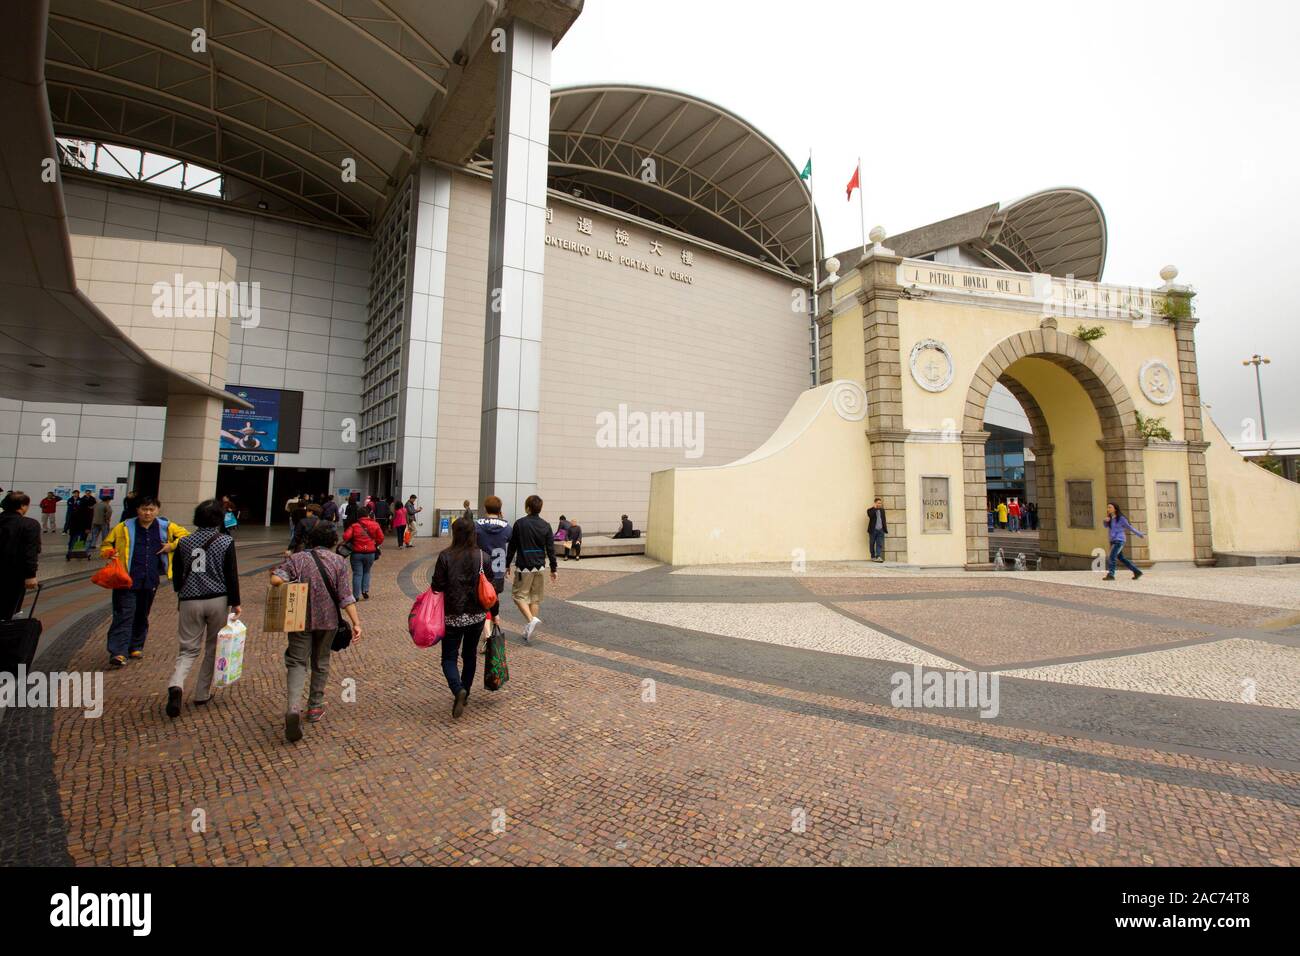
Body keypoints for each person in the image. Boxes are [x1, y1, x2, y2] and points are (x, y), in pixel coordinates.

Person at [270, 522, 361, 742]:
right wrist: (356, 623)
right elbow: (345, 597)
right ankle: (315, 707)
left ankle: (293, 706)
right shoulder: (338, 561)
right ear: (332, 542)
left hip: (299, 618)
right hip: (328, 621)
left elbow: (276, 579)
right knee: (321, 661)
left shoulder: (296, 559)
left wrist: (284, 580)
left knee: (296, 661)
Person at [167, 500, 241, 718]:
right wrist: (236, 601)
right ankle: (201, 692)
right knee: (213, 647)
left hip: (189, 599)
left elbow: (177, 574)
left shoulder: (184, 542)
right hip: (218, 599)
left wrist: (182, 592)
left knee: (188, 648)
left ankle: (176, 683)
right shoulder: (225, 541)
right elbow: (231, 574)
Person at [100, 496, 189, 668]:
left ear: (157, 510)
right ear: (137, 510)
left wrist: (172, 545)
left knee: (142, 612)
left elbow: (186, 537)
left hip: (149, 578)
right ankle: (118, 651)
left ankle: (136, 645)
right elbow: (105, 546)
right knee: (124, 613)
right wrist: (110, 553)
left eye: (151, 509)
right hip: (125, 578)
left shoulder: (166, 527)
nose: (147, 513)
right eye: (144, 509)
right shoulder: (124, 527)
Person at [431, 517, 492, 718]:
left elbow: (437, 585)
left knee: (449, 657)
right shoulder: (483, 556)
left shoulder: (445, 556)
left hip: (452, 615)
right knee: (470, 655)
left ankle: (458, 690)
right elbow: (490, 583)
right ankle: (465, 691)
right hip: (477, 615)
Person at [505, 494, 557, 642]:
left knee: (518, 596)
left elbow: (513, 546)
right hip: (540, 566)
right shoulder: (546, 525)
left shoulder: (520, 524)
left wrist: (507, 564)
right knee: (535, 598)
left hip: (524, 567)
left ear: (527, 507)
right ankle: (530, 628)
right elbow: (550, 549)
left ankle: (531, 620)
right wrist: (554, 568)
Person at [475, 496, 511, 654]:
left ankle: (488, 636)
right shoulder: (507, 526)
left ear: (485, 508)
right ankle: (493, 626)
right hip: (498, 570)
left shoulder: (477, 525)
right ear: (500, 509)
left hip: (481, 568)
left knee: (482, 601)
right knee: (492, 599)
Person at [0, 492, 41, 621]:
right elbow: (30, 551)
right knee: (10, 609)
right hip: (14, 574)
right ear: (23, 506)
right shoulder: (29, 524)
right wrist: (31, 575)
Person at [342, 508, 383, 600]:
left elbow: (345, 536)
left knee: (357, 574)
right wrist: (375, 544)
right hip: (370, 553)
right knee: (367, 571)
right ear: (368, 515)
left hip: (357, 553)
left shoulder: (354, 526)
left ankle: (356, 595)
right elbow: (381, 537)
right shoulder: (375, 524)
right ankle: (365, 590)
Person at [1102, 502, 1146, 582]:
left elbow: (1130, 527)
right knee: (1121, 558)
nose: (1108, 509)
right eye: (1107, 507)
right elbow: (1105, 526)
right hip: (1113, 540)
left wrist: (1139, 534)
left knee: (1112, 557)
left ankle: (1111, 575)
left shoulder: (1121, 518)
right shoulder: (1110, 518)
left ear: (1115, 509)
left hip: (1119, 540)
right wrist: (1105, 521)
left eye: (1110, 507)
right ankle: (1137, 572)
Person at [65, 492, 95, 560]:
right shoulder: (87, 512)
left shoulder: (75, 509)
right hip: (82, 529)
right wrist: (88, 528)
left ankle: (69, 553)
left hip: (74, 529)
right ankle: (78, 553)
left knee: (72, 541)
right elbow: (88, 521)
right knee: (81, 540)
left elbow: (70, 519)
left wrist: (68, 528)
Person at [866, 497, 888, 563]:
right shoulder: (870, 510)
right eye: (878, 503)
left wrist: (884, 528)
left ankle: (878, 556)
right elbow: (870, 515)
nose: (880, 504)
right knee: (872, 543)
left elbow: (883, 519)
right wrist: (875, 508)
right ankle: (873, 556)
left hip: (881, 530)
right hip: (873, 530)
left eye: (880, 503)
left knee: (879, 543)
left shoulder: (882, 510)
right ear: (875, 503)